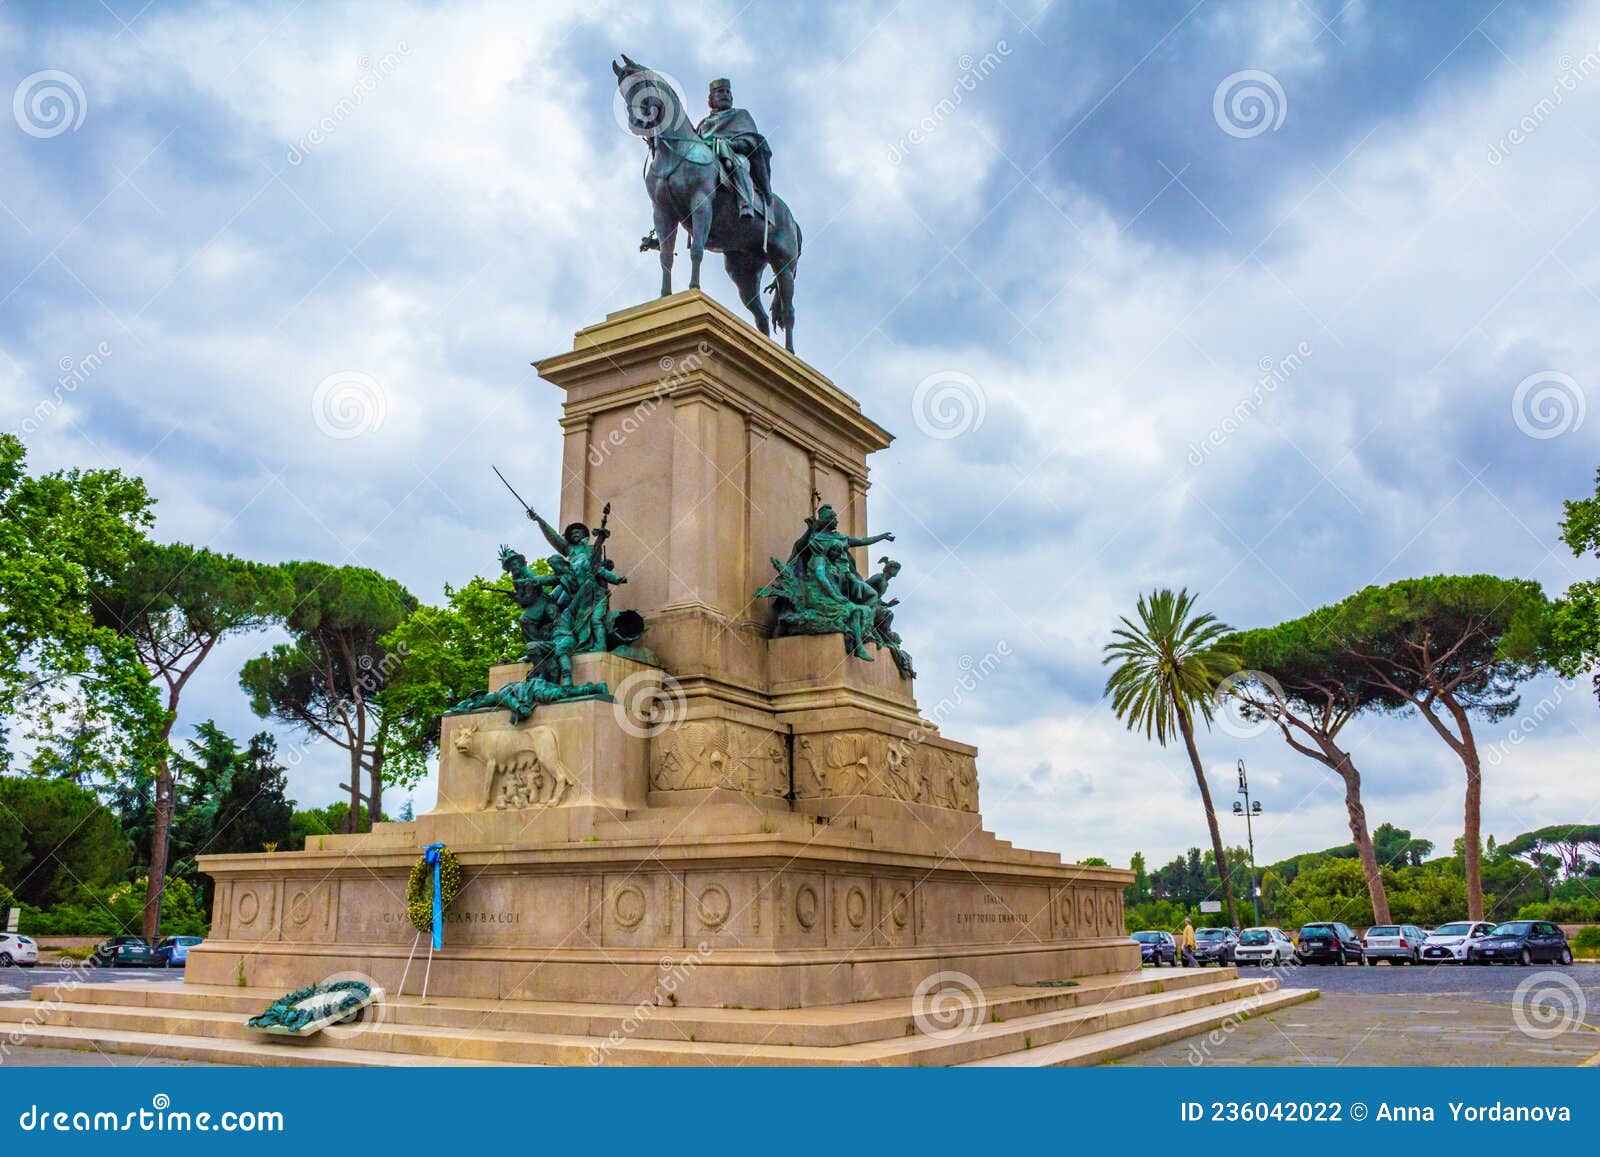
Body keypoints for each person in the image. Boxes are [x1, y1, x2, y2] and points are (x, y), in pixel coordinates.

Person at [696, 78, 771, 220]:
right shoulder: (703, 124)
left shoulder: (741, 115)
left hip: (734, 154)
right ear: (711, 99)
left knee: (740, 164)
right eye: (720, 92)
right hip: (706, 157)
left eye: (727, 92)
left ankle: (746, 204)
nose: (725, 94)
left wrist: (730, 145)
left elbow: (752, 141)